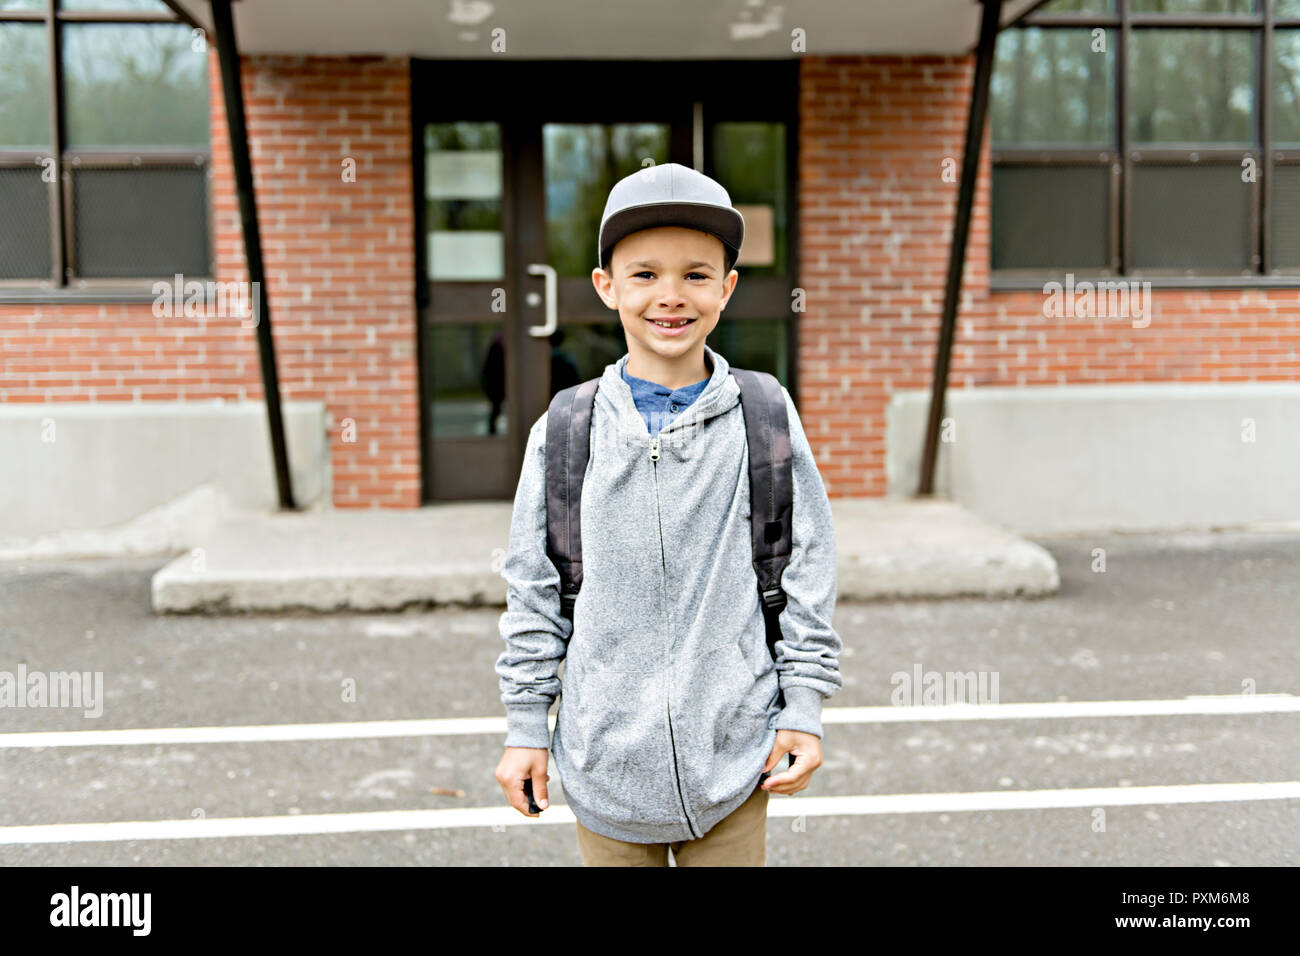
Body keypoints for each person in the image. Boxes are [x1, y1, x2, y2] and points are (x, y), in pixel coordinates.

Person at [493, 163, 843, 866]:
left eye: (696, 274)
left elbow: (806, 565)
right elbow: (534, 589)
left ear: (726, 288)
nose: (671, 297)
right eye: (645, 274)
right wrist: (526, 725)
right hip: (606, 767)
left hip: (735, 761)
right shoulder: (565, 429)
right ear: (607, 287)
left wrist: (803, 706)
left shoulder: (764, 414)